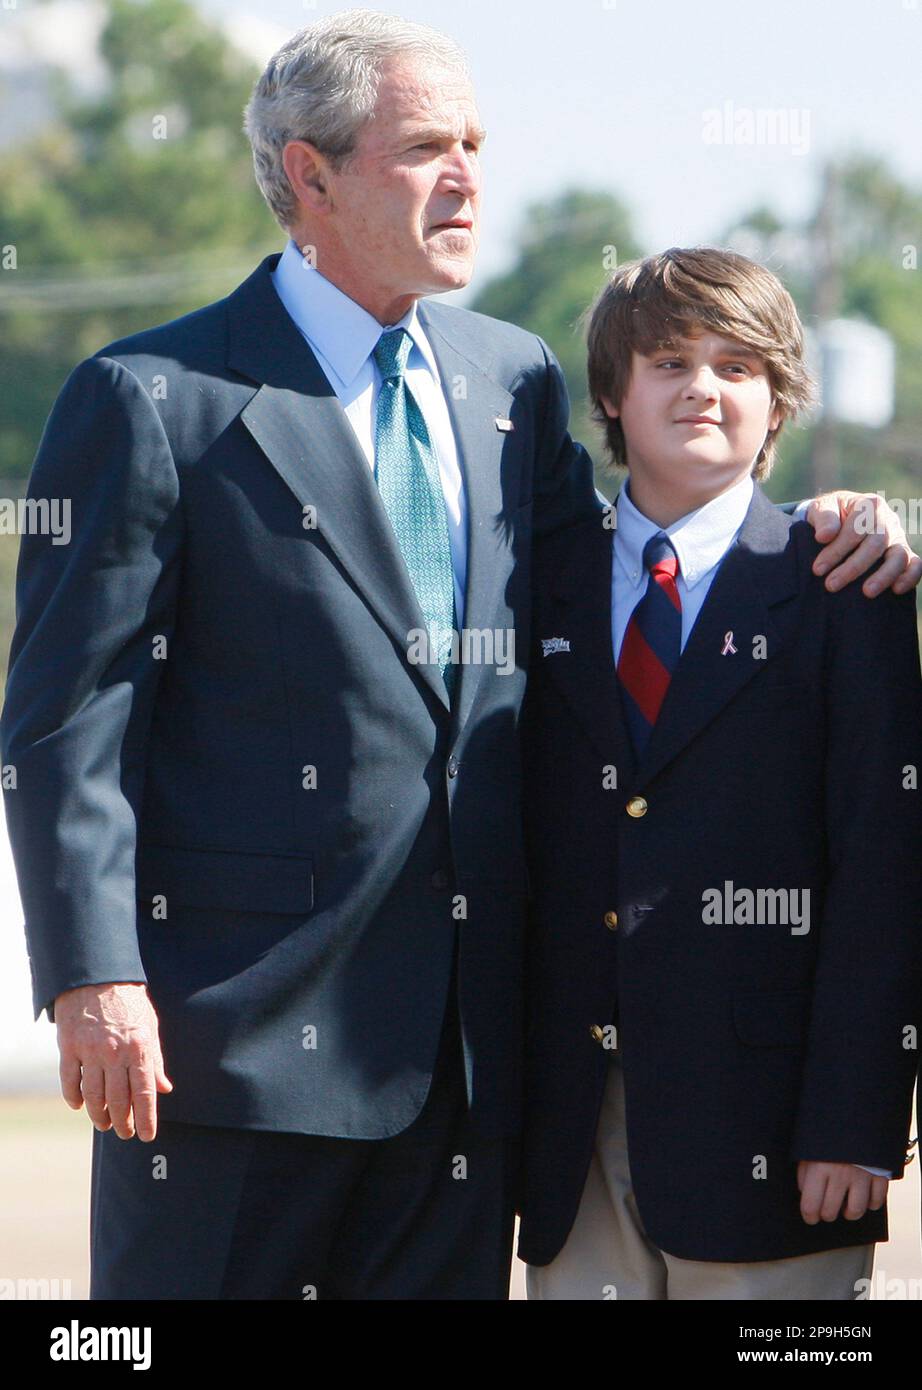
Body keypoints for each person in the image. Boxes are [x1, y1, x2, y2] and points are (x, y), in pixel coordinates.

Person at [0, 12, 916, 1301]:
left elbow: (626, 582)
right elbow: (66, 720)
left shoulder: (514, 379)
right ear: (310, 175)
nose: (471, 175)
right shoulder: (153, 396)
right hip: (228, 1054)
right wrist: (97, 971)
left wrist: (809, 529)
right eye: (427, 146)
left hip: (473, 1070)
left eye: (478, 142)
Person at [518, 246, 922, 1301]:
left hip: (779, 1139)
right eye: (667, 361)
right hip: (570, 1137)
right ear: (612, 391)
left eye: (738, 366)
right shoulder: (534, 584)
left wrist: (857, 1121)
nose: (702, 386)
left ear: (778, 402)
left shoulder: (843, 585)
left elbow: (884, 873)